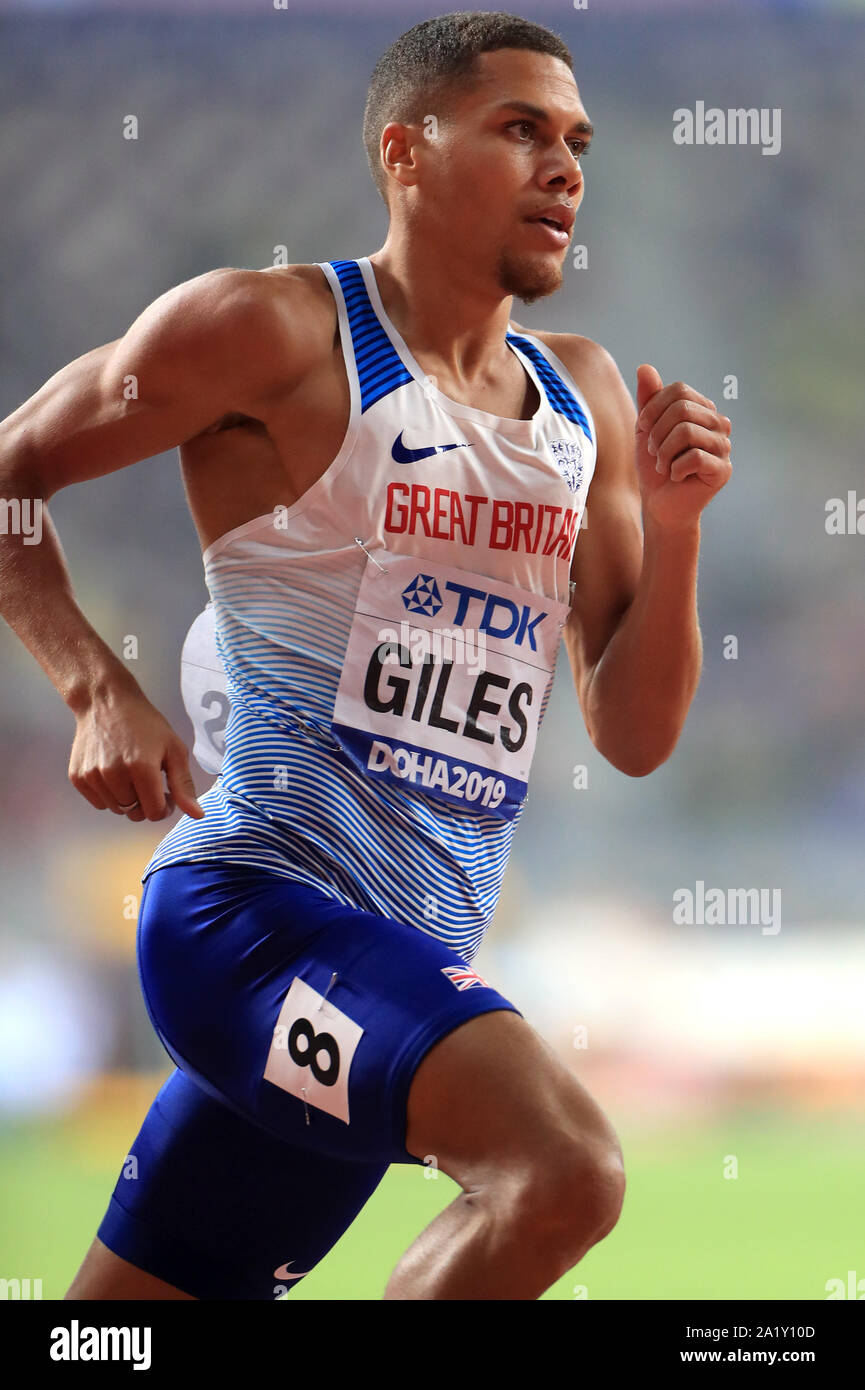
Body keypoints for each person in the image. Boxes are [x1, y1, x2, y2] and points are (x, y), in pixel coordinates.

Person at [0, 12, 731, 1300]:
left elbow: (634, 733)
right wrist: (93, 686)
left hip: (399, 967)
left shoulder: (584, 401)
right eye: (520, 132)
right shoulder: (269, 334)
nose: (563, 167)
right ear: (407, 148)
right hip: (253, 922)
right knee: (566, 1172)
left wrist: (674, 536)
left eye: (576, 143)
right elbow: (9, 475)